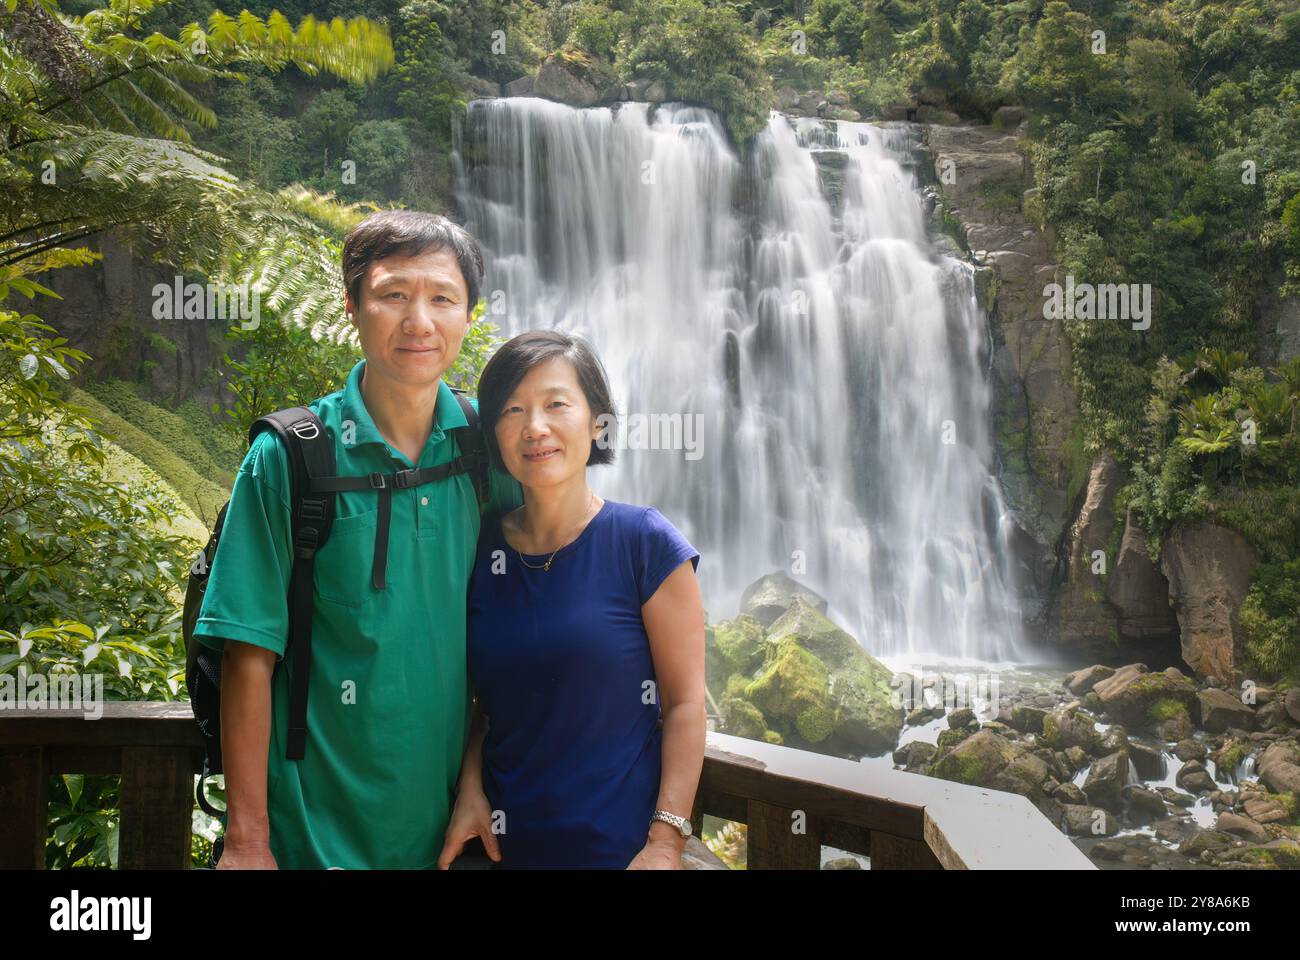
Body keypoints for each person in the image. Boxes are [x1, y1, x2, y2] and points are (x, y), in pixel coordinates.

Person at [193, 210, 522, 869]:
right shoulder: (290, 458)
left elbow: (541, 589)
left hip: (450, 836)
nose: (419, 322)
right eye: (393, 295)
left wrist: (477, 779)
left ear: (468, 317)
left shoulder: (486, 448)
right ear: (352, 306)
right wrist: (247, 841)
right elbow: (247, 652)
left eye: (442, 299)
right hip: (308, 837)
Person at [437, 330, 707, 869]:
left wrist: (666, 841)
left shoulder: (644, 543)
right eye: (512, 410)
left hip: (620, 852)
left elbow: (685, 704)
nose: (535, 428)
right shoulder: (480, 546)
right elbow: (485, 708)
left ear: (596, 419)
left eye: (556, 404)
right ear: (493, 431)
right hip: (497, 851)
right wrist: (471, 789)